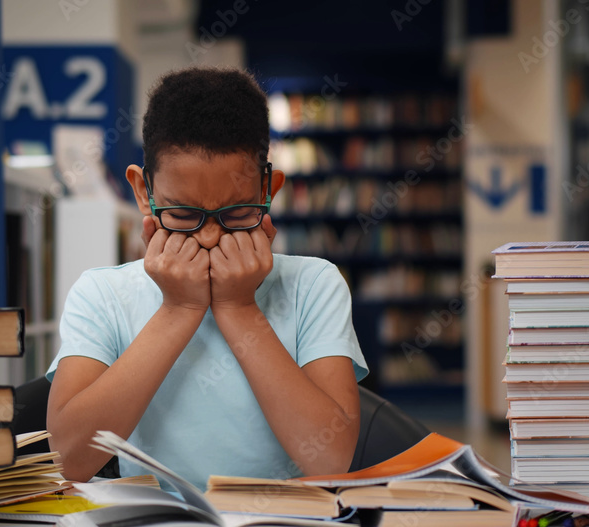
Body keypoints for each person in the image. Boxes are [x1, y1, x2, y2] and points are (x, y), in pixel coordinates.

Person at [45, 66, 368, 490]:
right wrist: (179, 309)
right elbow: (68, 460)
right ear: (145, 193)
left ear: (270, 190)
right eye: (183, 215)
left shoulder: (314, 286)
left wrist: (239, 307)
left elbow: (331, 458)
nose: (211, 237)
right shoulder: (102, 294)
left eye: (236, 214)